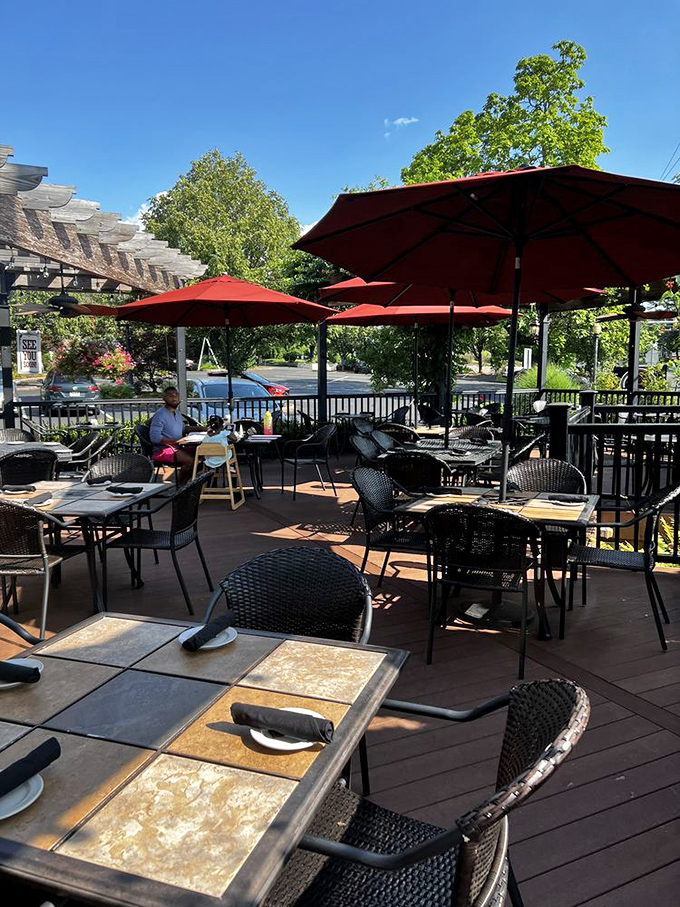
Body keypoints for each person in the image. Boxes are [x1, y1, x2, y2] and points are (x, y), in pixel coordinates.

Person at [149, 387, 194, 484]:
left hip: (178, 447)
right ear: (164, 398)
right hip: (162, 450)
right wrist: (176, 440)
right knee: (190, 461)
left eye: (176, 395)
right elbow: (155, 437)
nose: (174, 398)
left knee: (202, 456)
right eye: (170, 396)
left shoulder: (177, 413)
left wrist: (204, 429)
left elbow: (184, 428)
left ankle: (185, 483)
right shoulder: (160, 415)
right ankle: (181, 486)